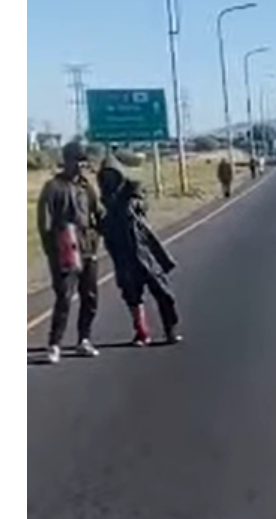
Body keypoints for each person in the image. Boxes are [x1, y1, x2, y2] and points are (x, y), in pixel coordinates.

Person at [97, 159, 181, 346]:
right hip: (122, 255)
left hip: (143, 252)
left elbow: (141, 199)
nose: (109, 179)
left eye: (112, 174)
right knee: (132, 296)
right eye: (105, 176)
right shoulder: (105, 199)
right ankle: (142, 332)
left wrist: (135, 204)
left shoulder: (130, 189)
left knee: (163, 292)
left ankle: (171, 329)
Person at [36, 140, 103, 363]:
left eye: (83, 161)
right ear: (66, 161)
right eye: (76, 160)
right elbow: (44, 224)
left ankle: (84, 339)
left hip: (87, 249)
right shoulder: (53, 187)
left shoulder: (86, 187)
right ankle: (54, 344)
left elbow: (99, 214)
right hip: (64, 250)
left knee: (90, 297)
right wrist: (52, 253)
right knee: (64, 298)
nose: (80, 165)